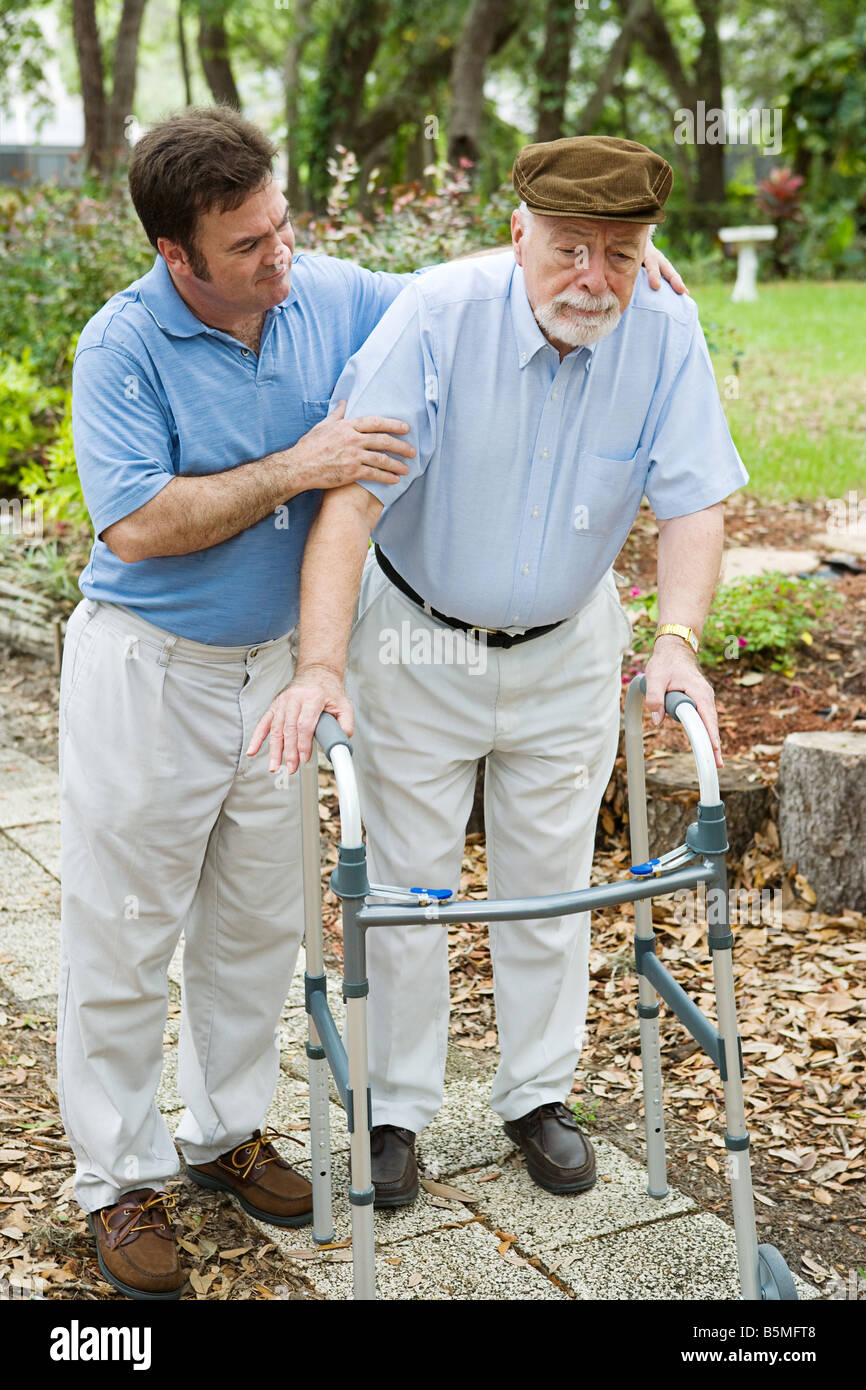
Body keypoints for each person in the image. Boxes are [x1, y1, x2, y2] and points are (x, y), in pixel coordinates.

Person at [59, 107, 685, 1299]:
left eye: (282, 228)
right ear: (177, 256)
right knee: (127, 930)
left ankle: (220, 1133)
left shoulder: (321, 293)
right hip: (149, 668)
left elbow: (481, 285)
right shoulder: (121, 347)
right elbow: (138, 524)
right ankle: (116, 1175)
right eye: (246, 248)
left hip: (275, 675)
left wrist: (605, 256)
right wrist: (304, 463)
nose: (278, 259)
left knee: (252, 930)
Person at [249, 136, 748, 1210]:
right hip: (417, 636)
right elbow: (353, 501)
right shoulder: (437, 317)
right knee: (406, 886)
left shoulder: (663, 328)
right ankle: (393, 1108)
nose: (593, 278)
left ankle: (534, 1095)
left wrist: (676, 640)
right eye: (570, 247)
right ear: (515, 234)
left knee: (547, 885)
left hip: (565, 643)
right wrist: (322, 663)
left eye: (620, 254)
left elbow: (695, 497)